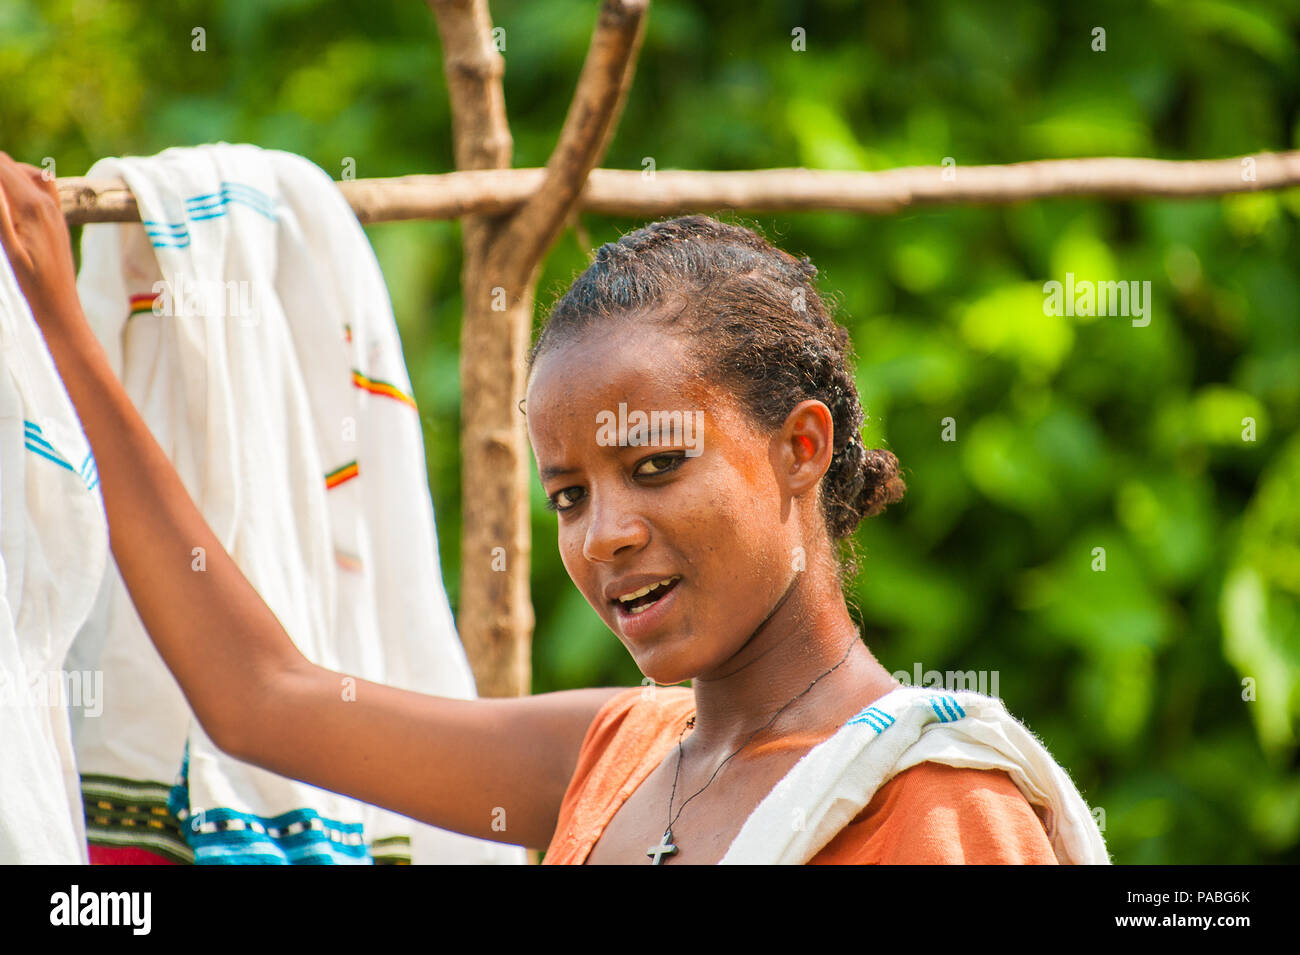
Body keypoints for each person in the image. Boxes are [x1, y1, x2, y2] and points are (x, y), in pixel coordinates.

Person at [0, 152, 1070, 864]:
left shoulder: (930, 805)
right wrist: (63, 322)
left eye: (652, 468)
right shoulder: (612, 757)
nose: (602, 534)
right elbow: (261, 698)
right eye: (568, 495)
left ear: (800, 448)